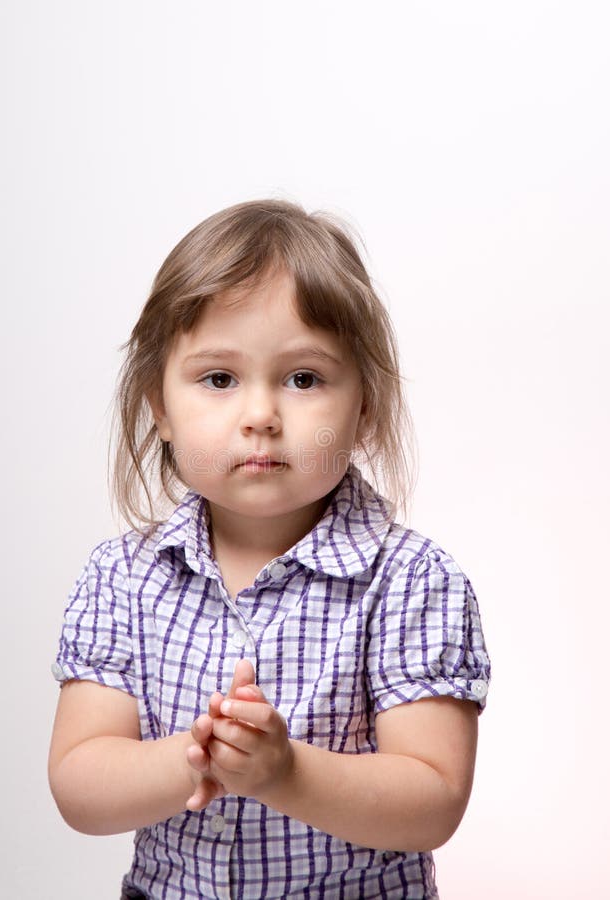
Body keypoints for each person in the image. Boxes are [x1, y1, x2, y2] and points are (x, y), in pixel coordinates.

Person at [48, 199, 491, 899]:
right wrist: (196, 758)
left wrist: (284, 772)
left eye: (303, 378)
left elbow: (432, 798)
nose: (260, 416)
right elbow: (79, 785)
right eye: (218, 379)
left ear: (365, 409)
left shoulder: (411, 580)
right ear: (159, 407)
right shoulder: (121, 577)